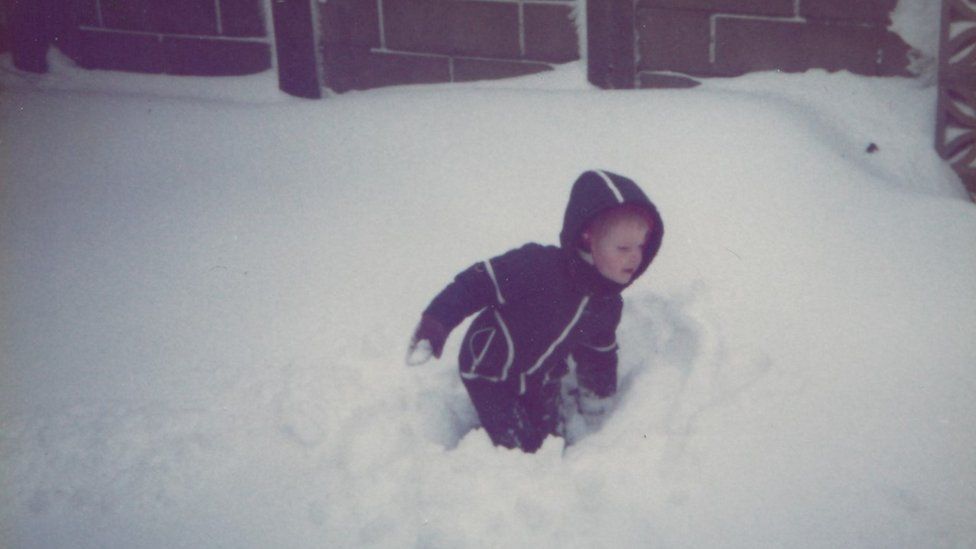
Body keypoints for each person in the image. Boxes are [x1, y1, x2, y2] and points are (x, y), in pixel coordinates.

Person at [406, 170, 664, 452]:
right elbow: (477, 283)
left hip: (542, 375)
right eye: (623, 247)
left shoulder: (607, 304)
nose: (635, 257)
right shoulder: (538, 267)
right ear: (588, 237)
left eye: (640, 246)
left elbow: (597, 352)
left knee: (551, 437)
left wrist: (599, 406)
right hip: (490, 368)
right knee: (521, 450)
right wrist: (437, 321)